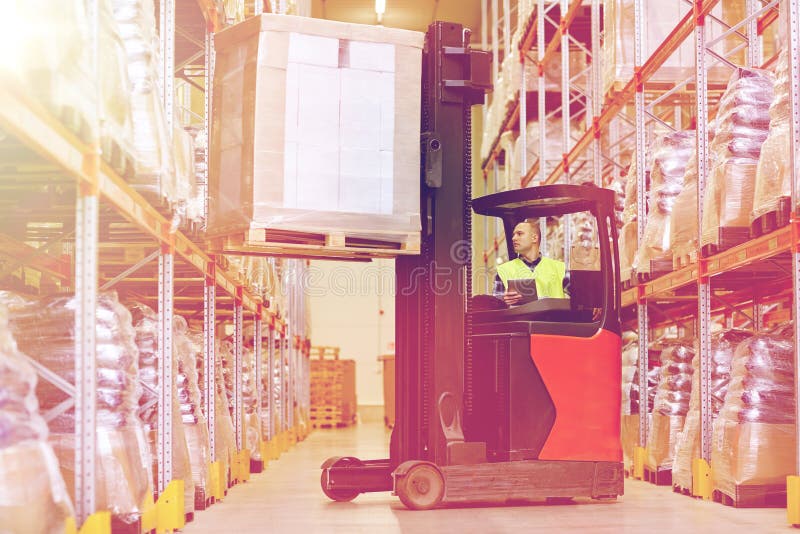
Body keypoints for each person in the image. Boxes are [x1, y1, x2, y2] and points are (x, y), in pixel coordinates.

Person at [493, 218, 568, 306]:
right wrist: (503, 301)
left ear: (534, 238)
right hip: (520, 319)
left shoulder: (560, 269)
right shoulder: (503, 271)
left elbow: (580, 300)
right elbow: (496, 308)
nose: (513, 238)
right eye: (513, 235)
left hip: (554, 319)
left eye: (519, 234)